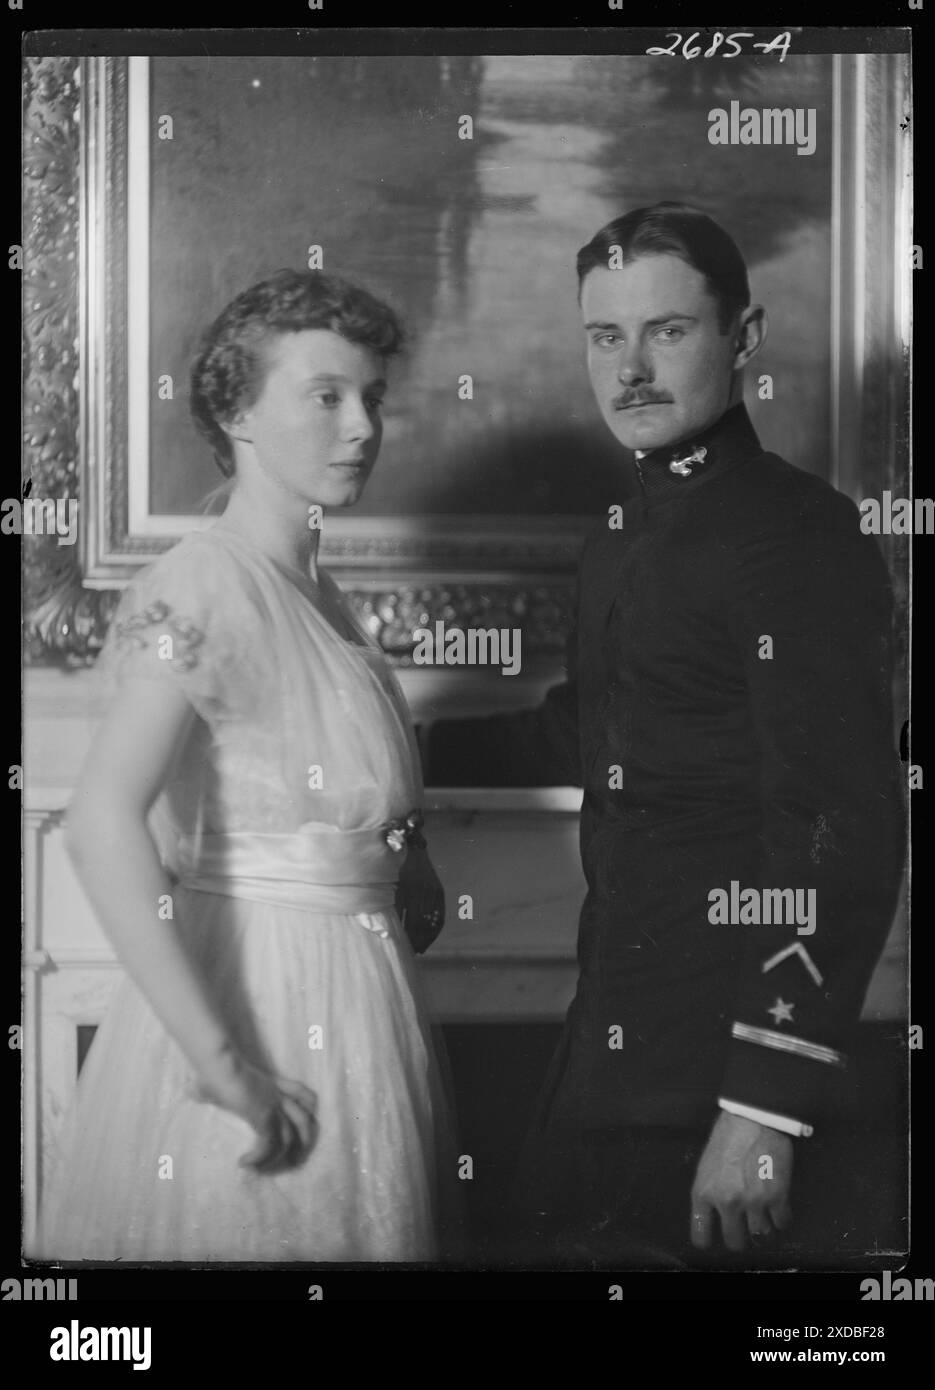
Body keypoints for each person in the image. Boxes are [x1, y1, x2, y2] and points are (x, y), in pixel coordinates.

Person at [424, 203, 906, 1268]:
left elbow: (838, 827)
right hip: (605, 1051)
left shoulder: (800, 536)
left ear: (744, 334)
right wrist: (379, 742)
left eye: (667, 331)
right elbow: (582, 733)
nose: (629, 369)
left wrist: (765, 1106)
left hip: (721, 1078)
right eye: (605, 336)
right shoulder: (617, 539)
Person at [38, 269, 459, 1262]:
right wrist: (226, 1065)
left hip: (361, 997)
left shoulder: (321, 591)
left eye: (372, 399)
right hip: (265, 998)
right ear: (237, 411)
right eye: (325, 396)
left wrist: (404, 856)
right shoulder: (205, 579)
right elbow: (101, 821)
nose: (361, 426)